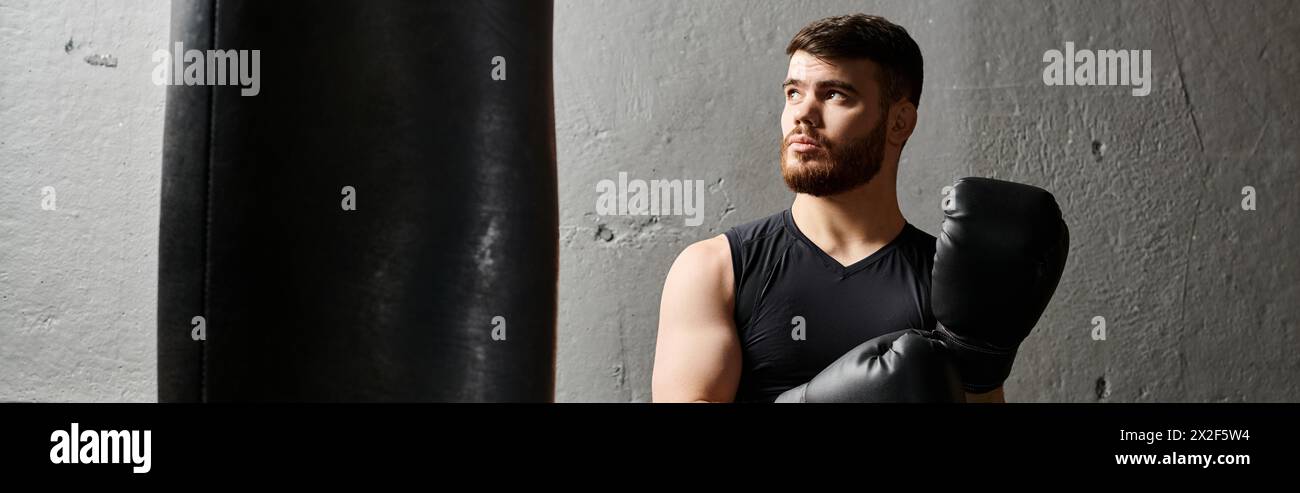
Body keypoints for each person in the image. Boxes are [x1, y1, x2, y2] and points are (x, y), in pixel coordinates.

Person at [651, 14, 1006, 403]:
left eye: (835, 94)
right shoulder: (716, 269)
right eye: (793, 93)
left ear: (899, 122)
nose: (803, 113)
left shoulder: (948, 286)